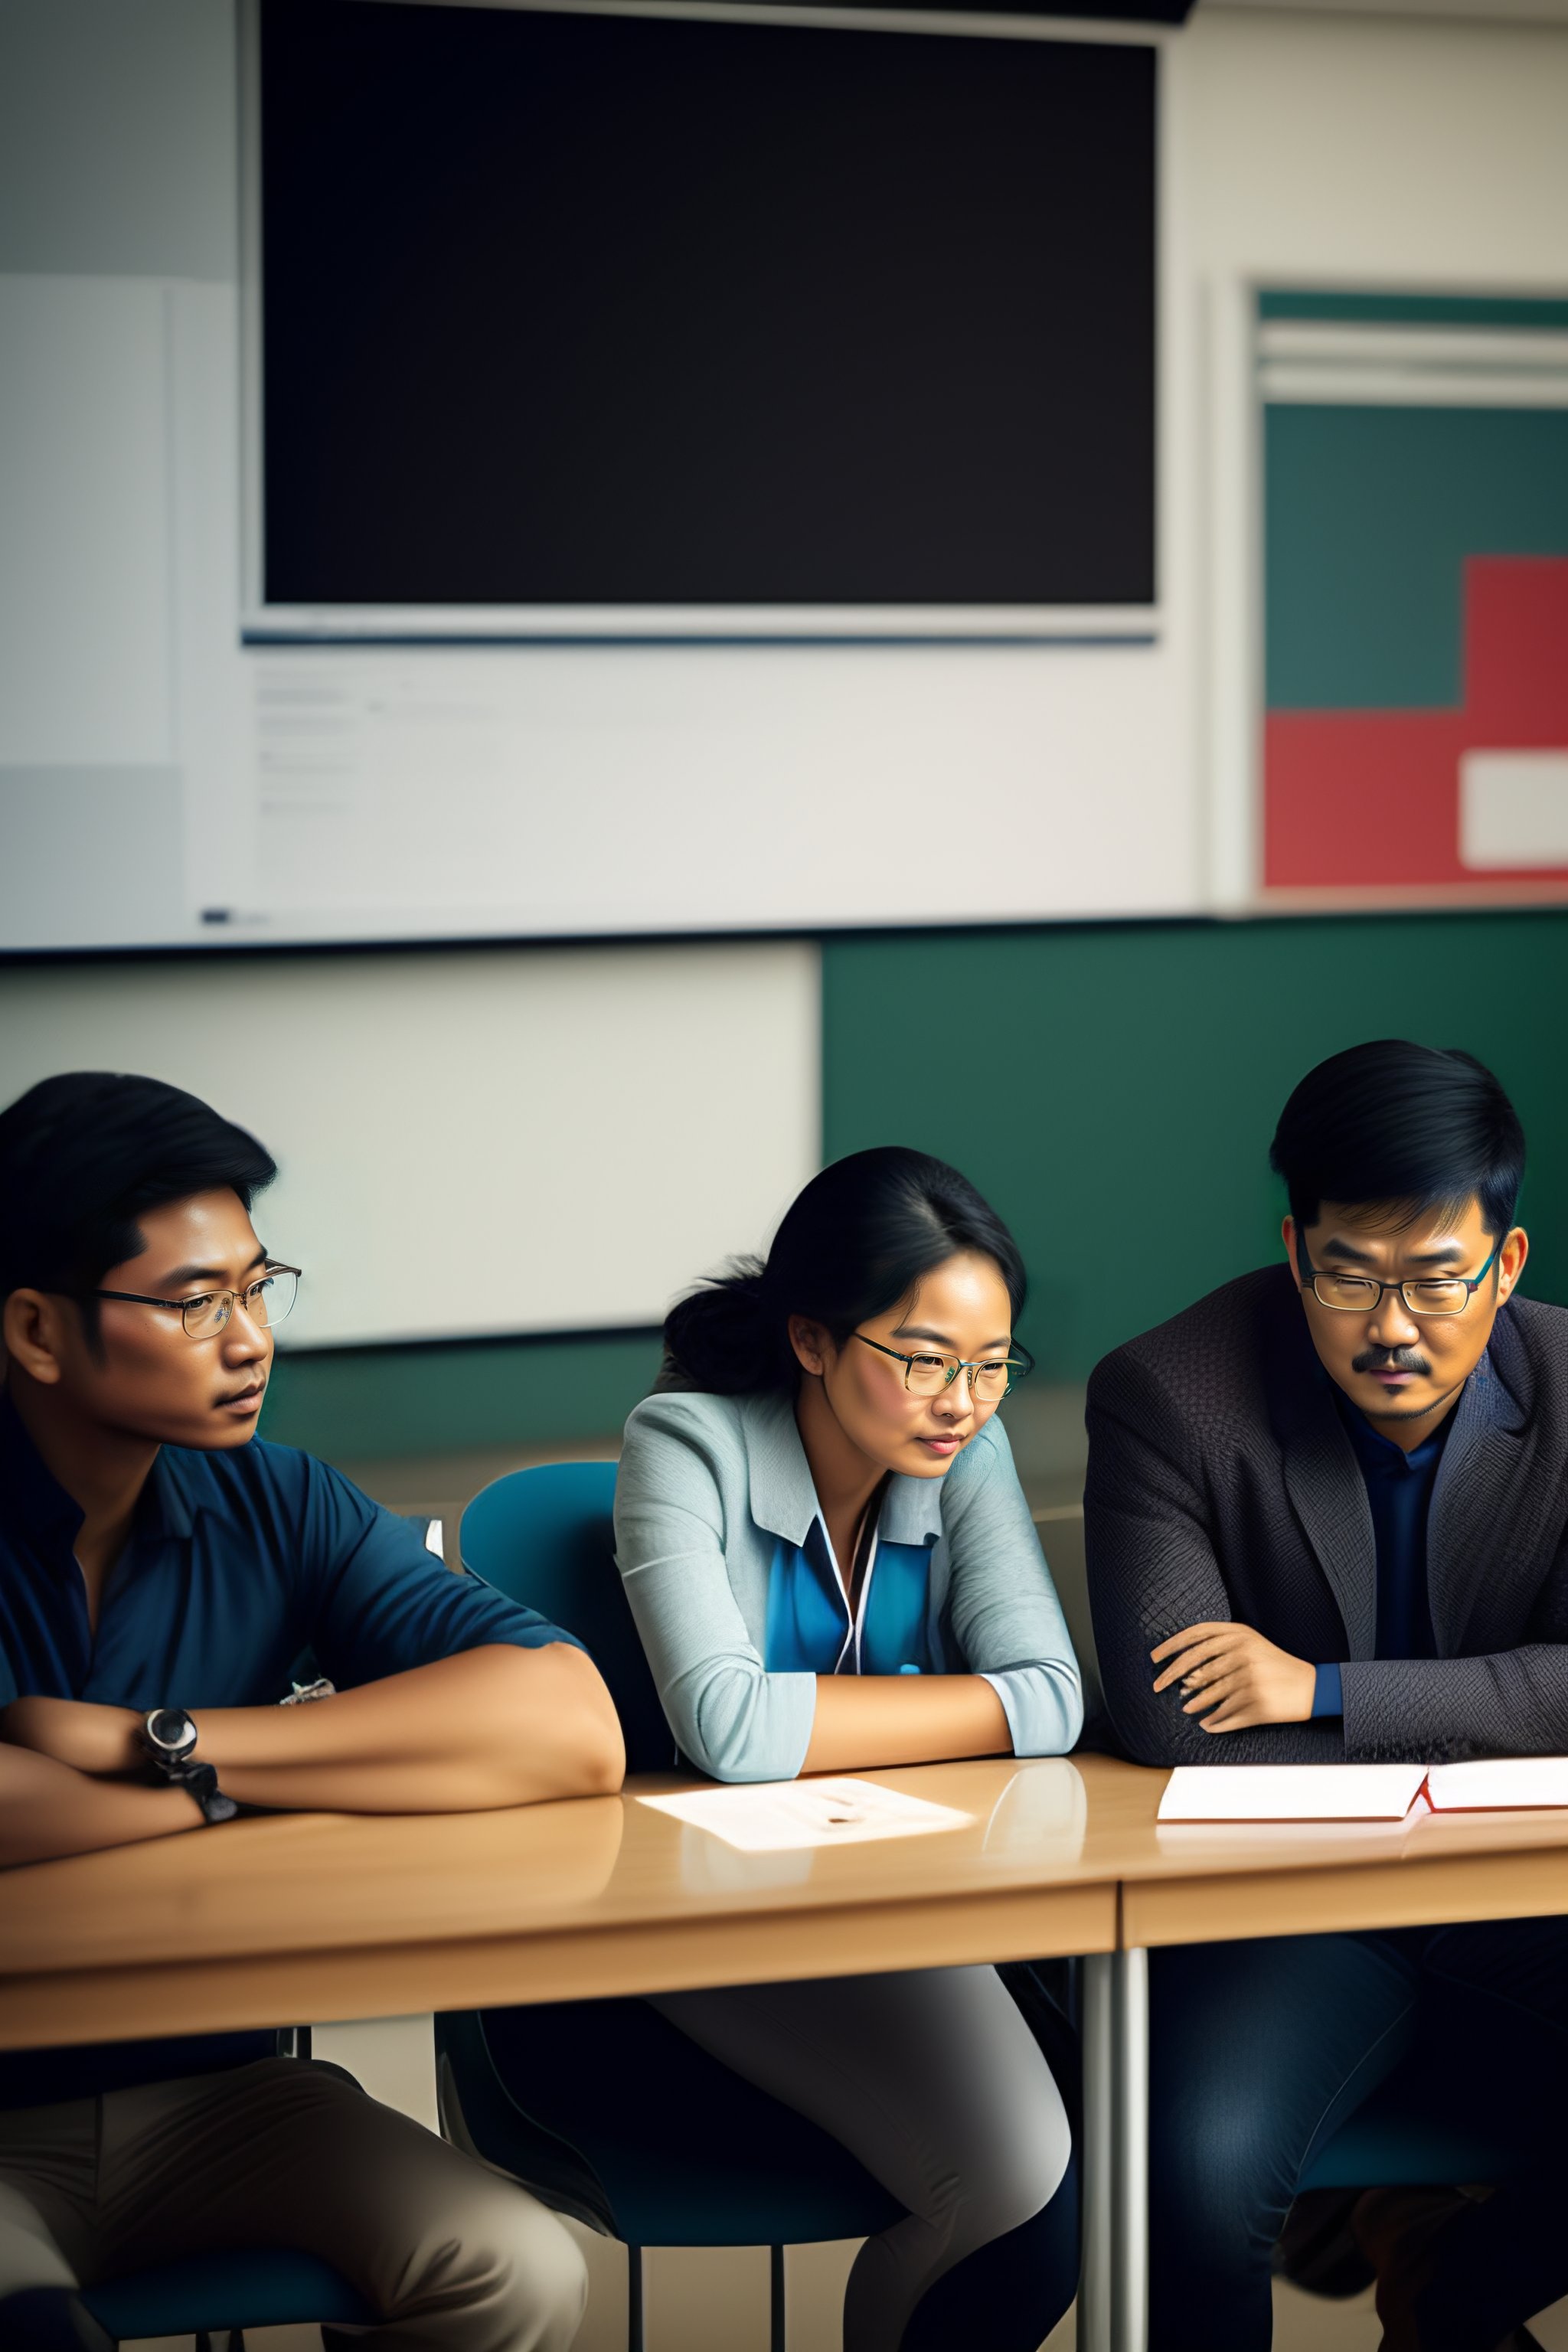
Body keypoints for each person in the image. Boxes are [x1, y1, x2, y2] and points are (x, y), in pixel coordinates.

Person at [0, 1071, 625, 2352]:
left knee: (523, 2272)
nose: (250, 1339)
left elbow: (570, 1727)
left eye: (255, 1286)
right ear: (37, 1333)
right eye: (192, 1303)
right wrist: (227, 1797)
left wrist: (165, 1745)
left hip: (226, 2098)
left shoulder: (278, 1499)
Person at [1084, 1039, 1568, 2352]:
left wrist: (1328, 1687)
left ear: (1507, 1267)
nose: (1393, 1326)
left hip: (1528, 1896)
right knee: (1190, 2173)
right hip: (1291, 1912)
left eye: (1436, 1280)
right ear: (1297, 1253)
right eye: (1350, 1277)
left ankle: (1452, 2293)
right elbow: (1172, 1722)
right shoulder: (1171, 1396)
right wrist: (1502, 1715)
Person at [612, 1145, 1083, 2352]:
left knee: (1131, 2137)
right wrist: (960, 1700)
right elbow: (724, 1729)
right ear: (813, 1339)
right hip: (726, 1917)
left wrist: (801, 1718)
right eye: (923, 1360)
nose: (964, 1401)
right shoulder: (685, 1446)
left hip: (921, 1895)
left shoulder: (967, 1457)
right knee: (1023, 2179)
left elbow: (1055, 1700)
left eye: (990, 1365)